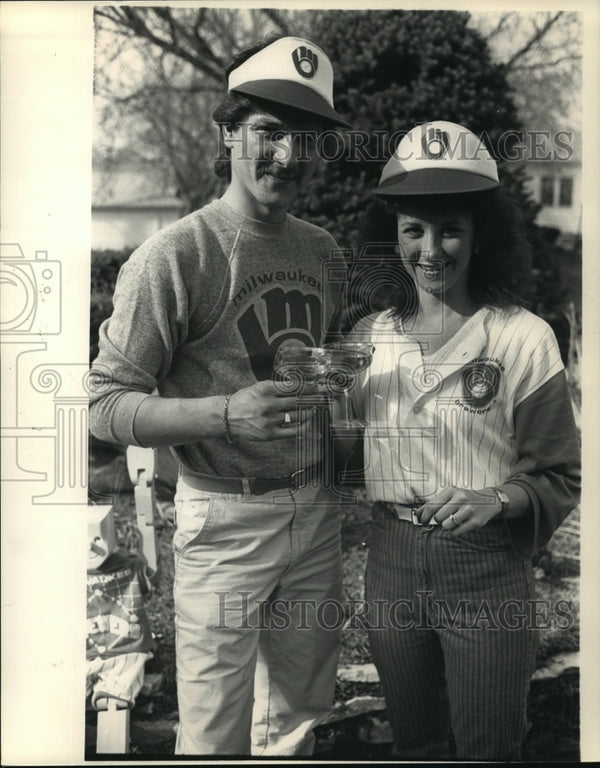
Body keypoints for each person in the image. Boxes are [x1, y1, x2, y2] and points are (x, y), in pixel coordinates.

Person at [89, 34, 350, 756]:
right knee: (214, 736)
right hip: (224, 520)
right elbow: (104, 405)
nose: (290, 156)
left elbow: (321, 371)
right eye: (269, 132)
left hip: (316, 511)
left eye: (307, 139)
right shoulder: (175, 255)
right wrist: (224, 412)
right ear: (229, 132)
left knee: (297, 716)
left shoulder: (324, 251)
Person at [339, 120, 580, 761]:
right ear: (392, 234)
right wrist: (324, 409)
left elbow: (560, 472)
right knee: (415, 743)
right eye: (413, 229)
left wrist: (496, 499)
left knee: (488, 745)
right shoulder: (368, 337)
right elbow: (339, 458)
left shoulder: (523, 338)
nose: (430, 250)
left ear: (481, 236)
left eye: (450, 229)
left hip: (485, 569)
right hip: (389, 561)